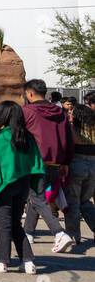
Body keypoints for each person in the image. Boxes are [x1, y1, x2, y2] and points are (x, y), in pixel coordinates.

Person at [0, 101, 44, 274]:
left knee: (2, 224)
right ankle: (28, 261)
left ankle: (2, 261)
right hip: (22, 184)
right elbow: (36, 162)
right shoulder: (26, 136)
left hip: (3, 185)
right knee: (15, 223)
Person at [21, 79, 76, 253]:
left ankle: (59, 233)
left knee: (37, 197)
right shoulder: (60, 112)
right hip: (56, 160)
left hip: (34, 161)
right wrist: (66, 161)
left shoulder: (27, 111)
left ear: (29, 93)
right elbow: (68, 138)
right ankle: (28, 232)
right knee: (36, 196)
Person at [61, 105, 95, 245]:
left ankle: (73, 234)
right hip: (93, 165)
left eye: (72, 113)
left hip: (76, 165)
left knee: (73, 202)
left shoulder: (71, 129)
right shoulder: (92, 130)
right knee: (86, 201)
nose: (70, 114)